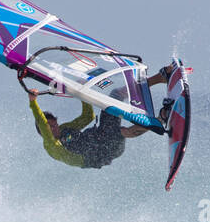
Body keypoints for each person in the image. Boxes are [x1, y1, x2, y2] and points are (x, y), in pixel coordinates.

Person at [27, 65, 176, 169]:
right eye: (49, 127)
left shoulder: (65, 129)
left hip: (99, 135)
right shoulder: (50, 145)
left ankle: (160, 78)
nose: (54, 128)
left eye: (54, 124)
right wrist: (33, 102)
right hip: (98, 155)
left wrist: (81, 93)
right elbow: (42, 122)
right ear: (42, 132)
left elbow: (88, 117)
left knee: (115, 95)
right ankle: (162, 119)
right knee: (119, 131)